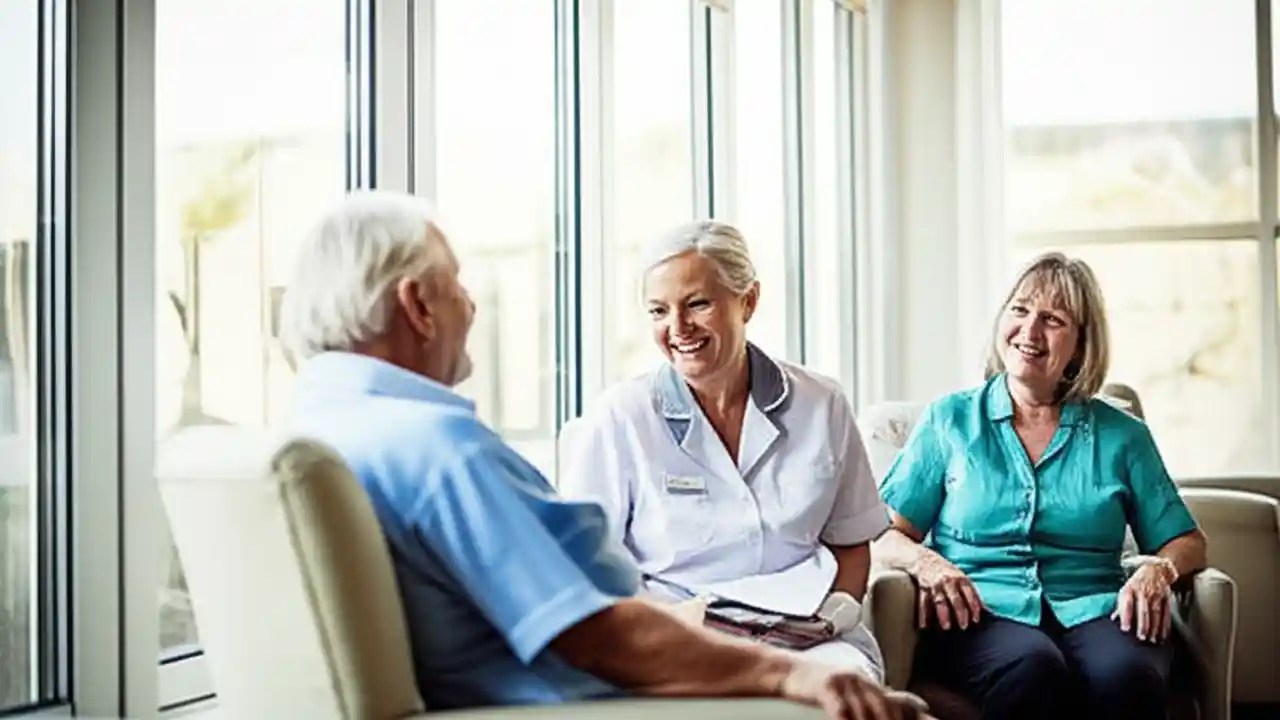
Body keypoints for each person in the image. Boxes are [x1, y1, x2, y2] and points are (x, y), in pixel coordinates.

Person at [278, 191, 924, 720]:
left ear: (746, 301)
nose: (471, 305)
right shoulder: (435, 449)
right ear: (418, 305)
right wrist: (791, 676)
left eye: (698, 302)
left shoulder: (327, 427)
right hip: (597, 695)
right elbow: (600, 636)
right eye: (457, 285)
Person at [874, 252, 1208, 720]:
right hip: (982, 611)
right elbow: (883, 533)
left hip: (1097, 608)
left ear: (1081, 345)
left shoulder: (1123, 435)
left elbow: (1187, 542)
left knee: (1127, 677)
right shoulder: (949, 420)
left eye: (1052, 320)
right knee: (1033, 669)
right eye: (1020, 310)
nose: (1030, 331)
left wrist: (1159, 571)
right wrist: (927, 563)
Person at [559, 220, 889, 682]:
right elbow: (584, 561)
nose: (678, 328)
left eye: (697, 304)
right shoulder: (621, 416)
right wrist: (659, 628)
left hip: (812, 635)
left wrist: (836, 614)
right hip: (678, 632)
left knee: (847, 694)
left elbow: (852, 540)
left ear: (748, 301)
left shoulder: (822, 403)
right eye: (658, 311)